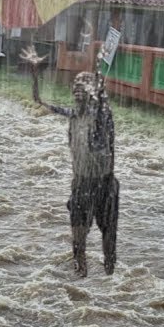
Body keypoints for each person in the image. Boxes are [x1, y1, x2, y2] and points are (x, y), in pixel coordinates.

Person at [21, 46, 119, 278]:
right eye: (74, 86)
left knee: (108, 240)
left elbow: (101, 104)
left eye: (82, 86)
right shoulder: (74, 115)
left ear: (92, 92)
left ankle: (110, 276)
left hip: (104, 185)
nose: (76, 90)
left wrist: (97, 75)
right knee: (78, 237)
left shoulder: (103, 116)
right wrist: (35, 73)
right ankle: (79, 272)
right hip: (81, 184)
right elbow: (39, 101)